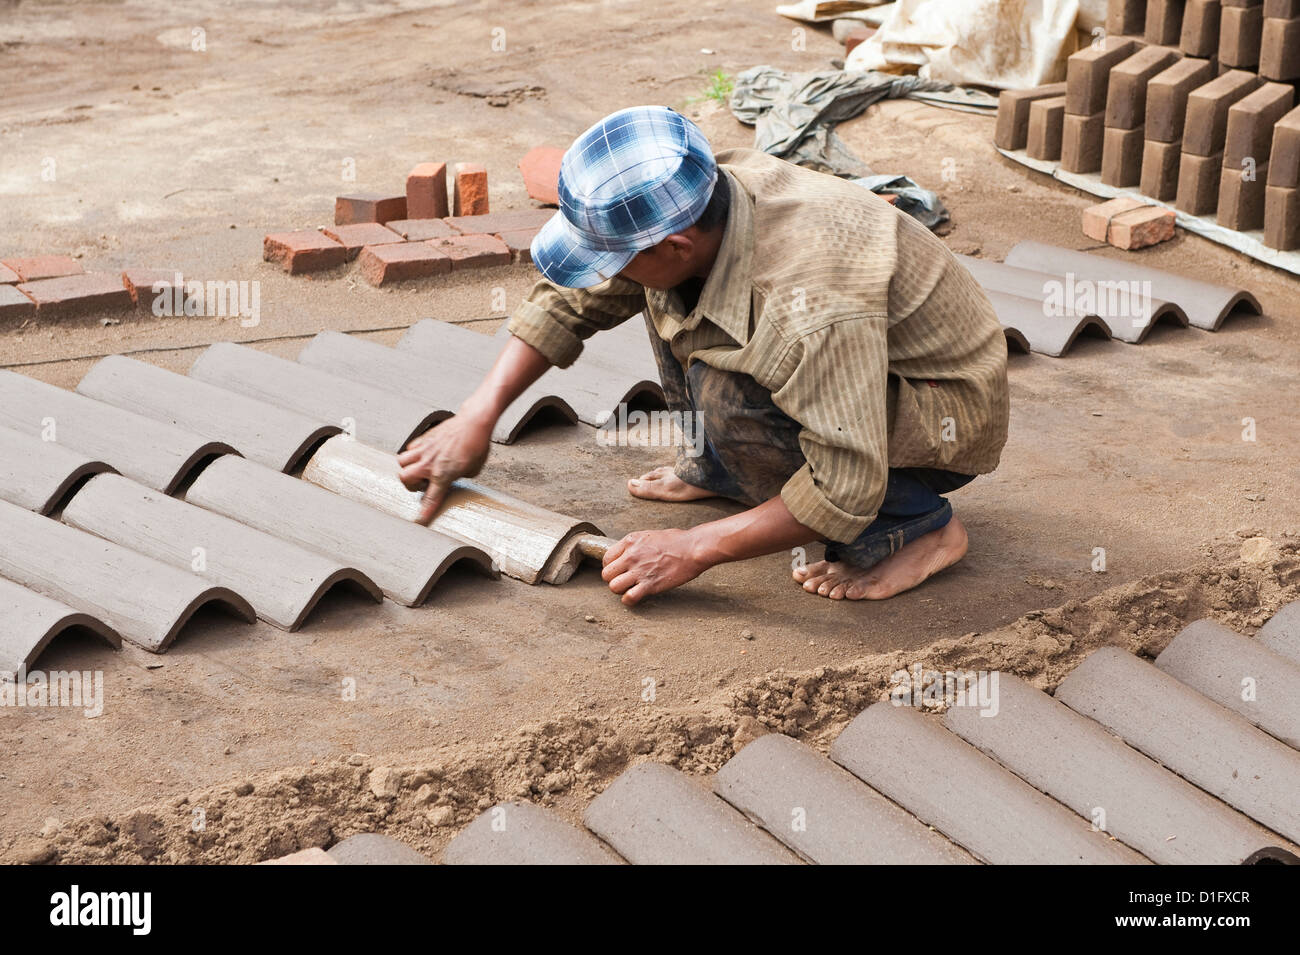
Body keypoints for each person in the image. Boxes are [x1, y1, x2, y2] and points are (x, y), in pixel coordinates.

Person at [398, 105, 1009, 606]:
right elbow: (573, 299)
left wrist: (694, 549)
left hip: (941, 411)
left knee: (737, 387)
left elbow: (845, 480)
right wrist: (476, 415)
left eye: (613, 254)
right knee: (670, 301)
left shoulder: (804, 305)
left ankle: (920, 527)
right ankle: (728, 466)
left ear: (676, 244)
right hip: (844, 364)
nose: (606, 270)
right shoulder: (699, 200)